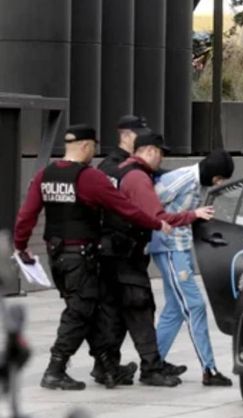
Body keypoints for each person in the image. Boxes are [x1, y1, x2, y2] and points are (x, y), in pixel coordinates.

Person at [13, 124, 171, 390]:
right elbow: (125, 208)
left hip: (57, 257)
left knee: (91, 312)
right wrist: (157, 223)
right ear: (86, 146)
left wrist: (21, 245)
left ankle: (109, 368)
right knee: (79, 313)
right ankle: (55, 369)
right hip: (81, 257)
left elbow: (27, 214)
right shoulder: (89, 178)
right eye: (94, 147)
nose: (94, 153)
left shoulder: (45, 175)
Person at [99, 132, 215, 387]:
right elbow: (156, 216)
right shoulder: (138, 177)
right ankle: (151, 368)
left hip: (112, 250)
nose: (161, 159)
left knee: (116, 313)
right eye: (161, 153)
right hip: (126, 252)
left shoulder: (119, 171)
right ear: (150, 151)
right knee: (140, 308)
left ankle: (108, 367)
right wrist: (191, 215)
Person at [148, 150, 235, 386]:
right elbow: (150, 207)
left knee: (175, 309)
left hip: (180, 249)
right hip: (169, 248)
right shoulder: (182, 179)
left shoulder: (200, 185)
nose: (219, 183)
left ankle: (152, 363)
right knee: (195, 305)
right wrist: (192, 214)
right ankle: (209, 369)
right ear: (212, 172)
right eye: (219, 178)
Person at [90, 114, 149, 386]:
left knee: (113, 310)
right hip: (118, 247)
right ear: (125, 135)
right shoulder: (116, 167)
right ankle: (108, 365)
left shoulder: (110, 166)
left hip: (117, 247)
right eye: (138, 134)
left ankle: (107, 365)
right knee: (120, 308)